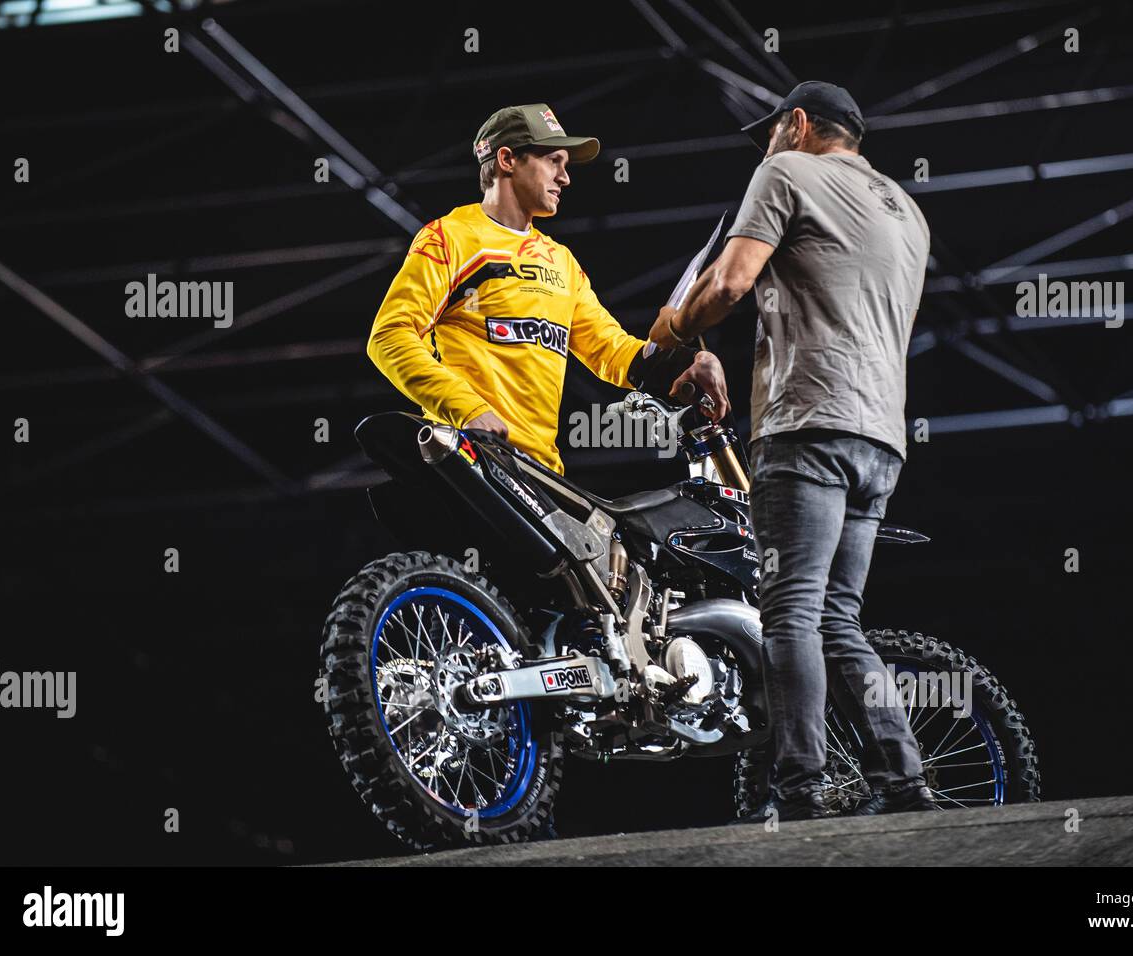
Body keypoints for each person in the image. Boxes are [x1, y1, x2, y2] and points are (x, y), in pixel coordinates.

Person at [649, 81, 936, 819]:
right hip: (881, 439)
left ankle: (801, 791)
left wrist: (678, 330)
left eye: (771, 134)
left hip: (806, 424)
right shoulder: (910, 211)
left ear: (798, 124)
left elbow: (734, 280)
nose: (766, 150)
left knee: (792, 613)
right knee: (839, 617)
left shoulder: (785, 171)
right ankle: (906, 782)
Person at [368, 102, 728, 475]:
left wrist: (687, 363)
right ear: (507, 159)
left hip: (542, 473)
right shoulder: (450, 237)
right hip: (471, 460)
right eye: (553, 161)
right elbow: (390, 336)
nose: (565, 178)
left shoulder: (560, 261)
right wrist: (468, 409)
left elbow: (614, 352)